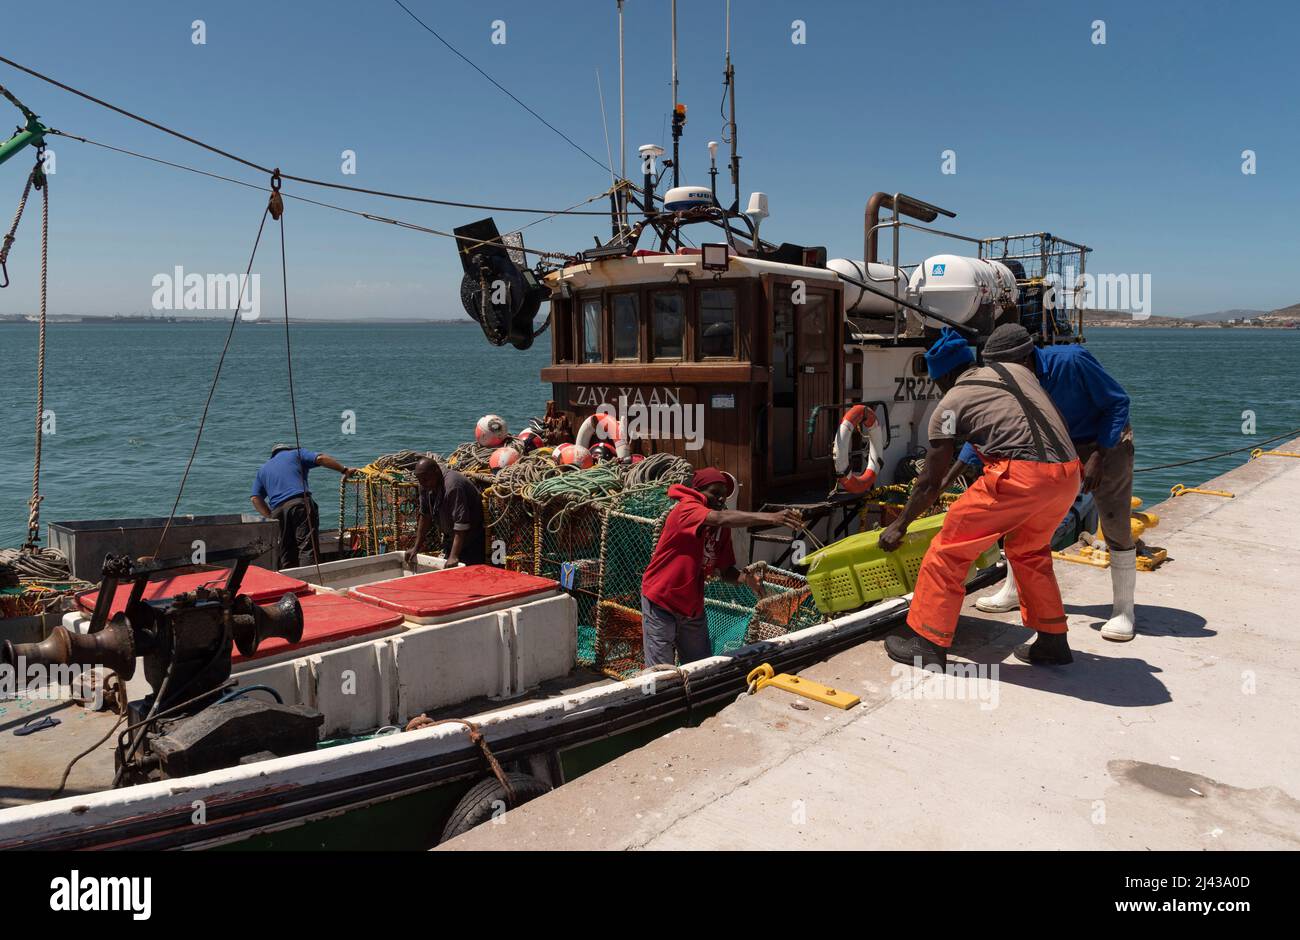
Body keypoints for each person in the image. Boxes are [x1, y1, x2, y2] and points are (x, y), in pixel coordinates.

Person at [879, 328, 1082, 668]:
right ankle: (1052, 640)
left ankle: (928, 642)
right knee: (1029, 552)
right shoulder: (1017, 371)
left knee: (948, 551)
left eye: (937, 382)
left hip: (1019, 476)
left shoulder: (950, 403)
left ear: (943, 376)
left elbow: (928, 482)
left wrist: (901, 524)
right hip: (1067, 472)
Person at [966, 323, 1138, 641]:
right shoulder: (1009, 381)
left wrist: (1099, 455)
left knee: (1114, 522)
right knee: (1024, 520)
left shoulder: (1072, 361)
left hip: (1106, 443)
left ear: (1028, 357)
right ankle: (1013, 591)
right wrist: (963, 462)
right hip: (1055, 446)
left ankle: (1123, 610)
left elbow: (1117, 402)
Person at [640, 468, 803, 668]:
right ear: (698, 491)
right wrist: (772, 518)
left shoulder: (720, 529)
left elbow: (726, 570)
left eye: (723, 496)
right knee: (661, 673)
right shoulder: (686, 509)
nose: (720, 499)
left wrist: (746, 579)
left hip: (691, 606)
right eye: (714, 493)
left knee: (701, 667)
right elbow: (718, 518)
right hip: (661, 601)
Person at [250, 445, 352, 569]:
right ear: (288, 449)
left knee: (286, 550)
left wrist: (270, 516)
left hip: (277, 511)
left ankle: (290, 583)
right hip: (299, 504)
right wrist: (344, 470)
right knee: (307, 547)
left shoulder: (263, 469)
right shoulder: (296, 453)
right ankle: (309, 580)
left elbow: (255, 498)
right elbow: (320, 459)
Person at [404, 457, 487, 568]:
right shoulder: (424, 484)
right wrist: (416, 547)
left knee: (470, 573)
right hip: (451, 539)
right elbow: (425, 515)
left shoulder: (453, 486)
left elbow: (461, 524)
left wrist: (454, 556)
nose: (423, 483)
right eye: (420, 480)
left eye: (425, 479)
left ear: (437, 472)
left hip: (471, 539)